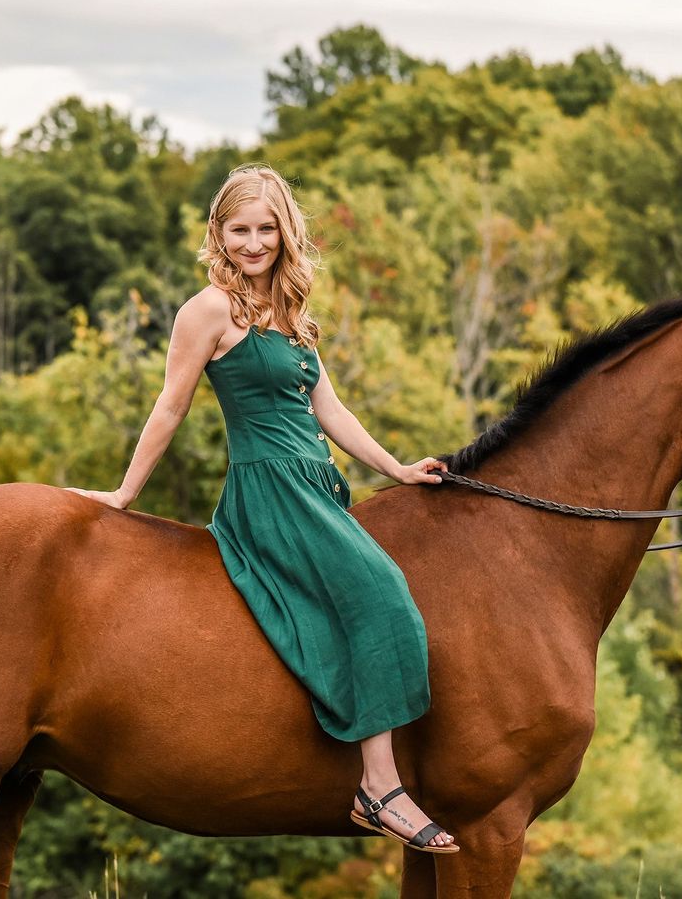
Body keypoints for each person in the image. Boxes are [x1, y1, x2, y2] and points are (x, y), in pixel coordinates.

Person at [66, 164, 458, 854]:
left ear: (285, 232)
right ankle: (380, 787)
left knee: (381, 590)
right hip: (268, 493)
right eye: (239, 230)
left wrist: (394, 467)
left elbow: (328, 408)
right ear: (218, 234)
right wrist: (125, 493)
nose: (253, 243)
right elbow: (170, 406)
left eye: (265, 229)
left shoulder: (291, 312)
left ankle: (381, 773)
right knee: (380, 594)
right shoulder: (208, 310)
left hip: (317, 487)